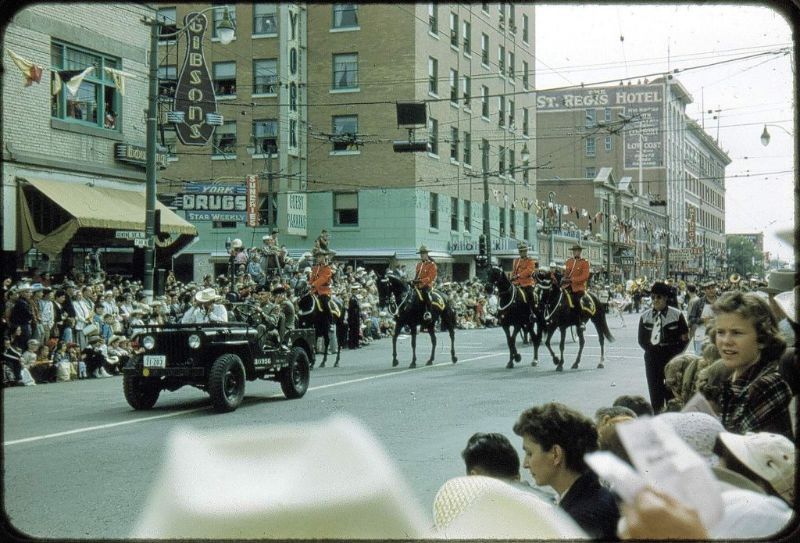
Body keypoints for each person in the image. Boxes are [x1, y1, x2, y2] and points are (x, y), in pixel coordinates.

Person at [512, 402, 620, 540]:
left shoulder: (578, 520)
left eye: (529, 453)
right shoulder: (596, 496)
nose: (525, 464)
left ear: (556, 454)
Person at [710, 291, 792, 438]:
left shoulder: (767, 385)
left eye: (736, 333)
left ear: (762, 339)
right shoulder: (732, 377)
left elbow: (743, 454)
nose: (726, 341)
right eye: (720, 332)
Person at [637, 281, 690, 413]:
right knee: (655, 391)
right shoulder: (645, 316)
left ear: (666, 298)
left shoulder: (676, 315)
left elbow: (684, 338)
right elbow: (641, 340)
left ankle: (672, 417)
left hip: (671, 356)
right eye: (653, 297)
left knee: (671, 390)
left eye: (659, 297)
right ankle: (658, 417)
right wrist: (652, 350)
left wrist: (676, 354)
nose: (655, 300)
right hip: (652, 357)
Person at [561, 243, 590, 329]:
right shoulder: (569, 261)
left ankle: (581, 321)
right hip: (567, 286)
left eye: (577, 251)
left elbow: (585, 276)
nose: (575, 252)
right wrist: (564, 278)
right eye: (574, 251)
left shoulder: (584, 262)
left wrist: (572, 280)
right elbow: (566, 273)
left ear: (580, 252)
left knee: (577, 301)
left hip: (578, 287)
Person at [511, 242, 538, 322]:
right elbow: (514, 271)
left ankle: (532, 312)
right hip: (516, 283)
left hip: (527, 283)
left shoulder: (530, 261)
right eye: (521, 251)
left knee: (530, 295)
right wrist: (513, 277)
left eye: (524, 251)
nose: (523, 253)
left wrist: (518, 275)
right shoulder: (516, 261)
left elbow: (529, 271)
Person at [309, 248, 335, 326]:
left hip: (324, 291)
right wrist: (309, 284)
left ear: (324, 257)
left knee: (325, 303)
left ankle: (331, 321)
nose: (318, 258)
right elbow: (312, 278)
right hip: (314, 291)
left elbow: (323, 278)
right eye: (317, 257)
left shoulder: (327, 268)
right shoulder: (315, 268)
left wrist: (314, 284)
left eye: (319, 257)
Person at [413, 245, 437, 322]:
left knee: (425, 293)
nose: (422, 255)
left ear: (427, 254)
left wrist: (420, 281)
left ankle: (428, 312)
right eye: (421, 253)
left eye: (423, 253)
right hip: (418, 285)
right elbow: (417, 275)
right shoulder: (419, 264)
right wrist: (413, 281)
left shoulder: (432, 264)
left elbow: (430, 277)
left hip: (427, 285)